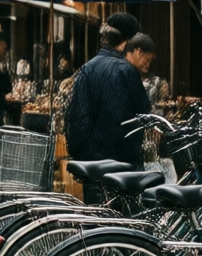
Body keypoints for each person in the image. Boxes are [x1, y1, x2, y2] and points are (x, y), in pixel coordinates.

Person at [65, 23, 152, 166]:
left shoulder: (87, 68)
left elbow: (78, 115)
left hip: (90, 161)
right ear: (124, 43)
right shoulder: (128, 71)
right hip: (123, 161)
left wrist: (80, 151)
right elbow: (144, 113)